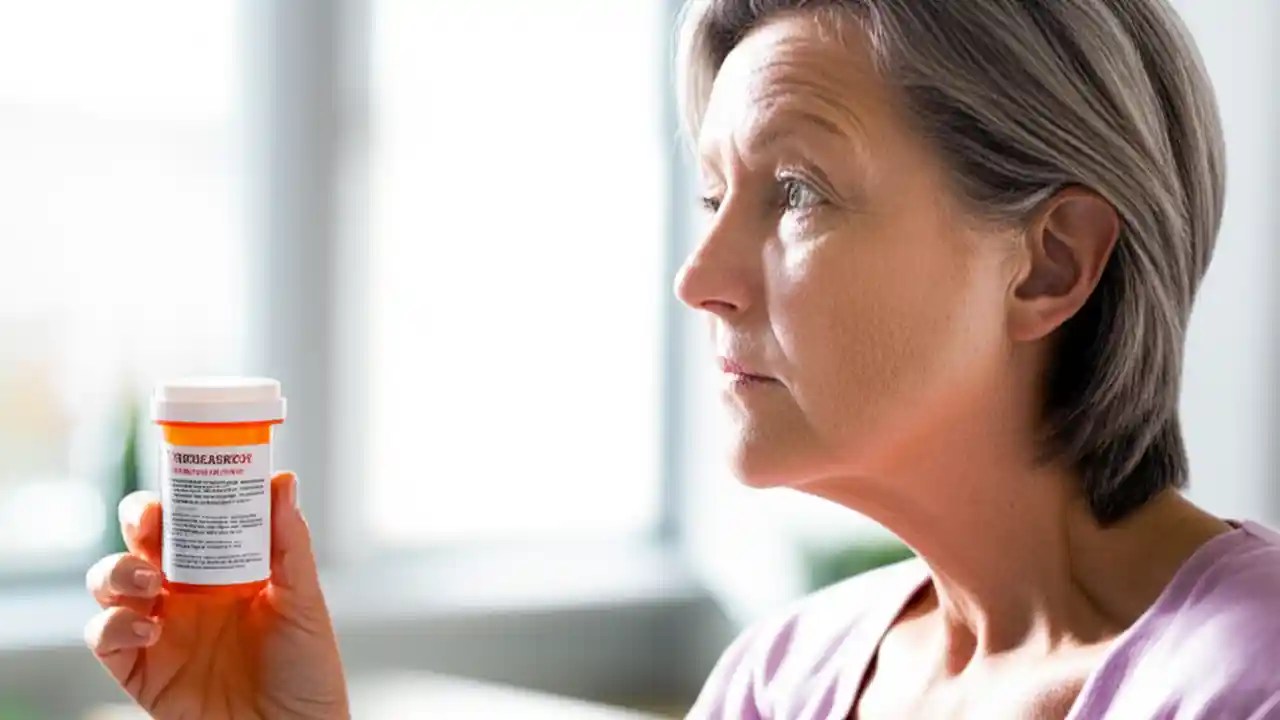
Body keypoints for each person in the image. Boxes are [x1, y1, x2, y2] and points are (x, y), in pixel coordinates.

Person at [85, 1, 1280, 718]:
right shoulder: (785, 678)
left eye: (794, 191)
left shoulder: (1247, 683)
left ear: (1048, 264)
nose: (698, 276)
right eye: (712, 195)